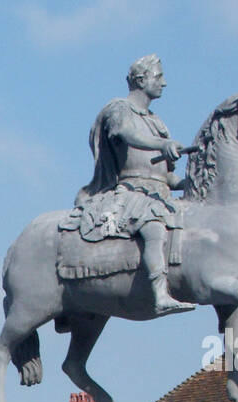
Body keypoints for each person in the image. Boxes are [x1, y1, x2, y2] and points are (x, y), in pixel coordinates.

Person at [73, 54, 194, 316]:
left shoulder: (156, 121)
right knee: (154, 227)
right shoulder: (119, 109)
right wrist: (162, 144)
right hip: (132, 192)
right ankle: (161, 295)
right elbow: (126, 134)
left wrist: (190, 183)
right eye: (159, 76)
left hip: (160, 193)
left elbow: (167, 176)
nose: (164, 83)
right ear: (141, 79)